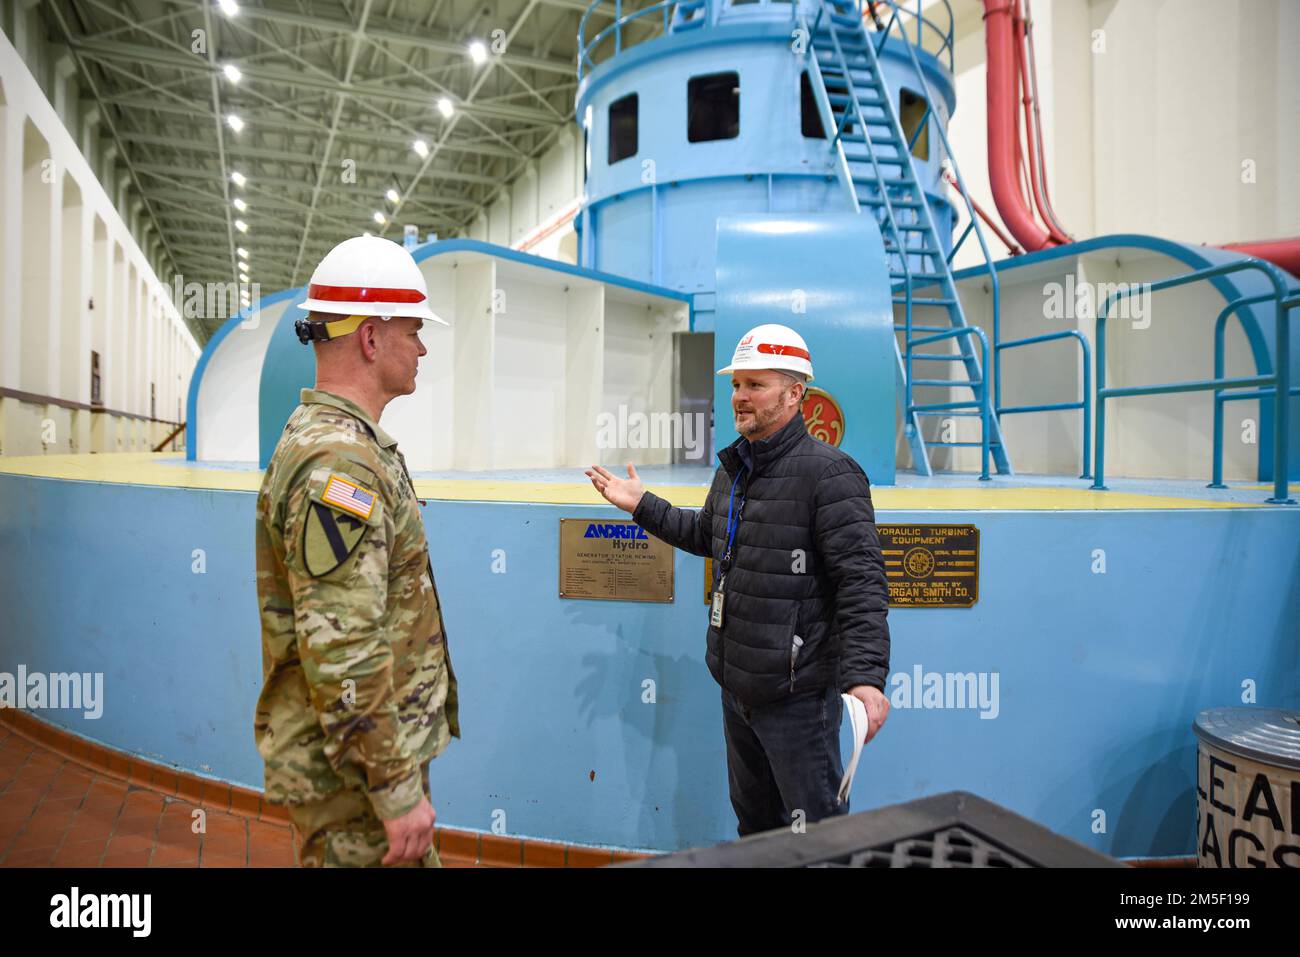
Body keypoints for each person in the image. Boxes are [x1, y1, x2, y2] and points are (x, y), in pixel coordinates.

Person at [586, 323, 890, 836]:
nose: (740, 397)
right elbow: (706, 536)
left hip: (798, 699)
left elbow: (861, 584)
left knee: (817, 839)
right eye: (736, 385)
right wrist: (642, 505)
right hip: (738, 690)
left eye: (756, 385)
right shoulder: (734, 468)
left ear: (795, 394)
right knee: (756, 830)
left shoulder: (831, 475)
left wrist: (865, 678)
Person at [253, 234, 459, 867]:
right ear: (371, 338)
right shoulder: (339, 461)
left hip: (361, 768)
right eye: (413, 331)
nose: (422, 348)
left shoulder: (340, 443)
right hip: (359, 786)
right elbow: (342, 643)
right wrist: (394, 789)